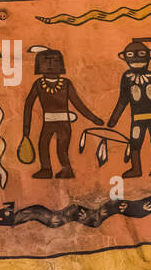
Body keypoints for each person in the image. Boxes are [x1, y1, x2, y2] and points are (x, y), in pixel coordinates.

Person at [20, 47, 103, 179]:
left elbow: (78, 104)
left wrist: (94, 119)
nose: (51, 66)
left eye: (54, 62)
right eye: (47, 62)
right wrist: (26, 128)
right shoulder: (39, 84)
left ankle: (67, 169)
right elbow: (28, 105)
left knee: (61, 148)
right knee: (43, 145)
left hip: (63, 122)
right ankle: (46, 169)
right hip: (48, 122)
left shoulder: (65, 84)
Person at [107, 37, 151, 177]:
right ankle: (137, 169)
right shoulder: (127, 78)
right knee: (135, 144)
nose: (136, 60)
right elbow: (123, 100)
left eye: (140, 55)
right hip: (138, 118)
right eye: (131, 56)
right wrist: (113, 119)